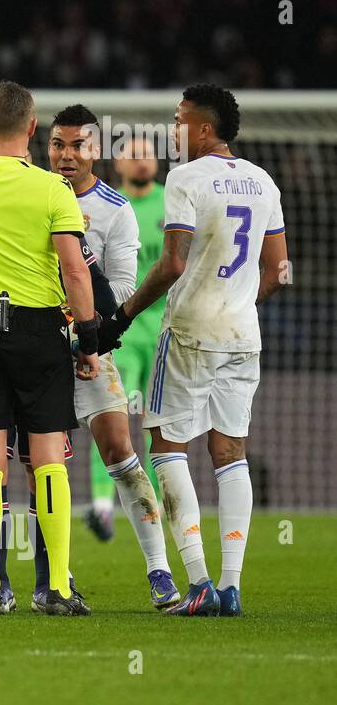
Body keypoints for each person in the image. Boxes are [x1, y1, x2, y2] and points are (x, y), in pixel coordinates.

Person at [99, 84, 289, 617]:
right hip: (243, 333)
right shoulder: (263, 181)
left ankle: (199, 582)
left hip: (187, 333)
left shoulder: (185, 178)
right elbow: (279, 269)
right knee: (231, 452)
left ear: (204, 129)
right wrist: (238, 303)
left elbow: (173, 263)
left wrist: (124, 314)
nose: (173, 127)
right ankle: (231, 586)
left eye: (179, 119)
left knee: (165, 445)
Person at [0, 53, 100, 616]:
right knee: (49, 457)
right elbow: (75, 270)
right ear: (34, 129)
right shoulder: (54, 190)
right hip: (38, 331)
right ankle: (54, 588)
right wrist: (88, 338)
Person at [46, 105, 180, 610]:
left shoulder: (115, 209)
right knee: (44, 464)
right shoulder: (34, 196)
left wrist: (78, 251)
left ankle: (159, 571)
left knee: (123, 456)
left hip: (92, 349)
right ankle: (55, 575)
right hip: (39, 350)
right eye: (58, 144)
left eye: (78, 145)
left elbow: (122, 288)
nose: (66, 155)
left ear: (95, 150)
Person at [104, 138, 167, 491]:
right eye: (134, 154)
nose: (143, 161)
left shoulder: (172, 203)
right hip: (122, 328)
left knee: (158, 421)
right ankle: (102, 502)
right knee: (115, 416)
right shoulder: (111, 205)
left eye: (148, 155)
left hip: (164, 328)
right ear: (118, 163)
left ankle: (157, 501)